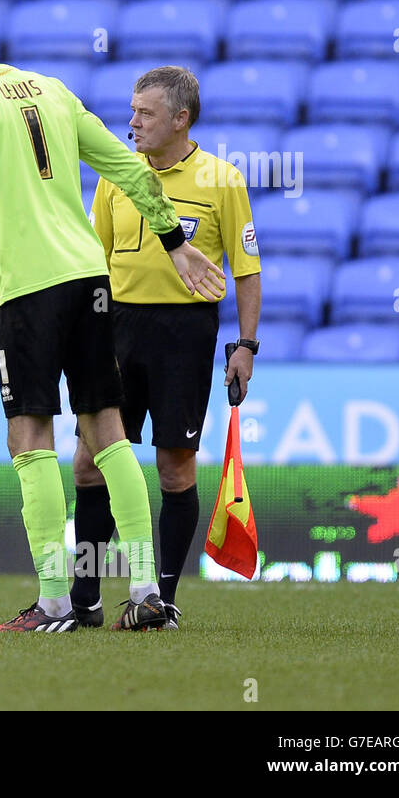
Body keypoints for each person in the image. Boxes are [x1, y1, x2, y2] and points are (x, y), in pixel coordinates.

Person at [0, 0, 225, 633]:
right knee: (108, 431)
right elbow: (123, 164)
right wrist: (173, 238)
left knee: (30, 437)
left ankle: (55, 600)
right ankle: (142, 587)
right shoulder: (53, 90)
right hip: (90, 277)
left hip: (29, 287)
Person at [71, 66, 262, 630]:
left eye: (145, 113)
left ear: (180, 119)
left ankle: (162, 600)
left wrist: (245, 344)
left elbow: (247, 273)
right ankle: (85, 596)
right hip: (115, 330)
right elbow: (92, 263)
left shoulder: (223, 180)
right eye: (132, 111)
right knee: (90, 463)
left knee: (175, 468)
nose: (132, 123)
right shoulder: (116, 177)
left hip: (185, 335)